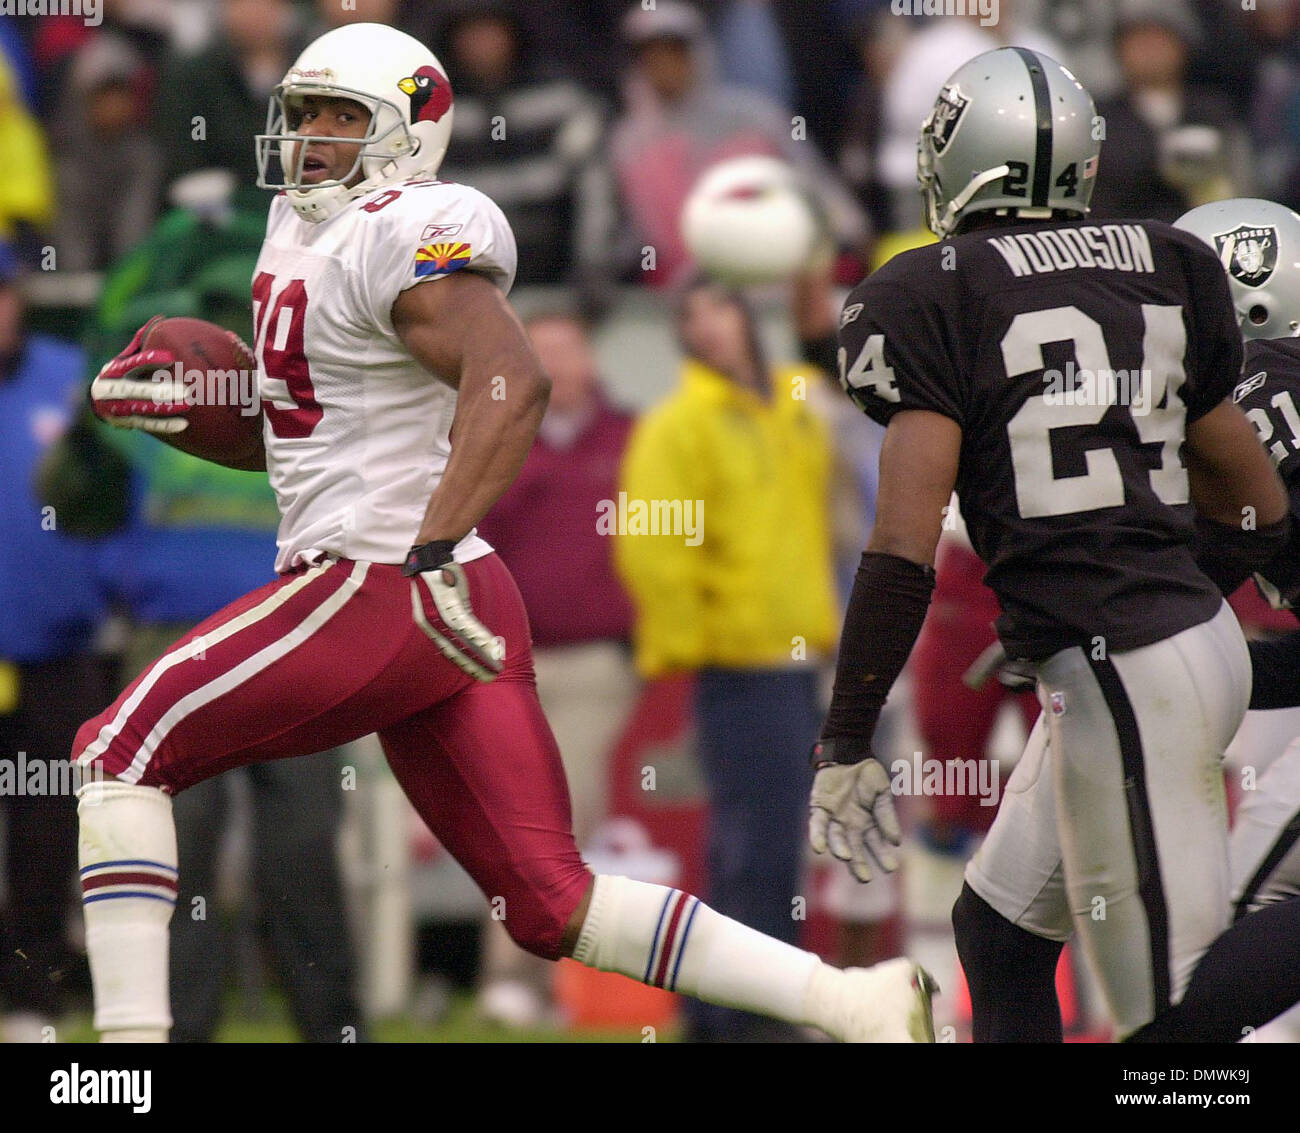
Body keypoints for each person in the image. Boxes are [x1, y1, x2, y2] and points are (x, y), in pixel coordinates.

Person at [73, 20, 934, 1044]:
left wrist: (428, 547)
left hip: (390, 578)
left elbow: (509, 376)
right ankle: (855, 1001)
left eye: (343, 117)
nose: (312, 139)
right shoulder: (298, 229)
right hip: (440, 591)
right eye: (303, 116)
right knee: (550, 903)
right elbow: (305, 441)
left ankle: (127, 1059)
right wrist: (203, 410)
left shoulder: (412, 224)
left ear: (408, 132)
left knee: (117, 753)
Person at [814, 45, 1295, 1043]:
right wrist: (1169, 592)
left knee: (1166, 1030)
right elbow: (1253, 498)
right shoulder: (1164, 262)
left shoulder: (929, 295)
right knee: (995, 931)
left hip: (1123, 661)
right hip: (1160, 641)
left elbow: (905, 547)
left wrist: (849, 730)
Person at [616, 276, 842, 1041]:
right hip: (742, 662)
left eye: (718, 304)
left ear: (747, 313)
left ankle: (719, 1013)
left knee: (754, 841)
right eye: (690, 312)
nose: (706, 324)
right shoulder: (680, 424)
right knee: (760, 847)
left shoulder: (796, 400)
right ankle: (758, 1016)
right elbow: (651, 545)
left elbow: (848, 376)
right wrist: (697, 639)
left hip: (795, 657)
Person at [473, 306, 638, 1027]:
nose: (559, 367)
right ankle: (517, 979)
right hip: (512, 663)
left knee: (570, 821)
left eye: (570, 350)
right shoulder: (496, 438)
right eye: (544, 353)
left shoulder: (633, 438)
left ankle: (541, 981)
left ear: (592, 360)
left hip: (601, 661)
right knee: (521, 821)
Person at [0, 243, 119, 1041]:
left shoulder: (70, 380)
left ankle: (31, 1005)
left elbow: (112, 489)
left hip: (55, 650)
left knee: (49, 833)